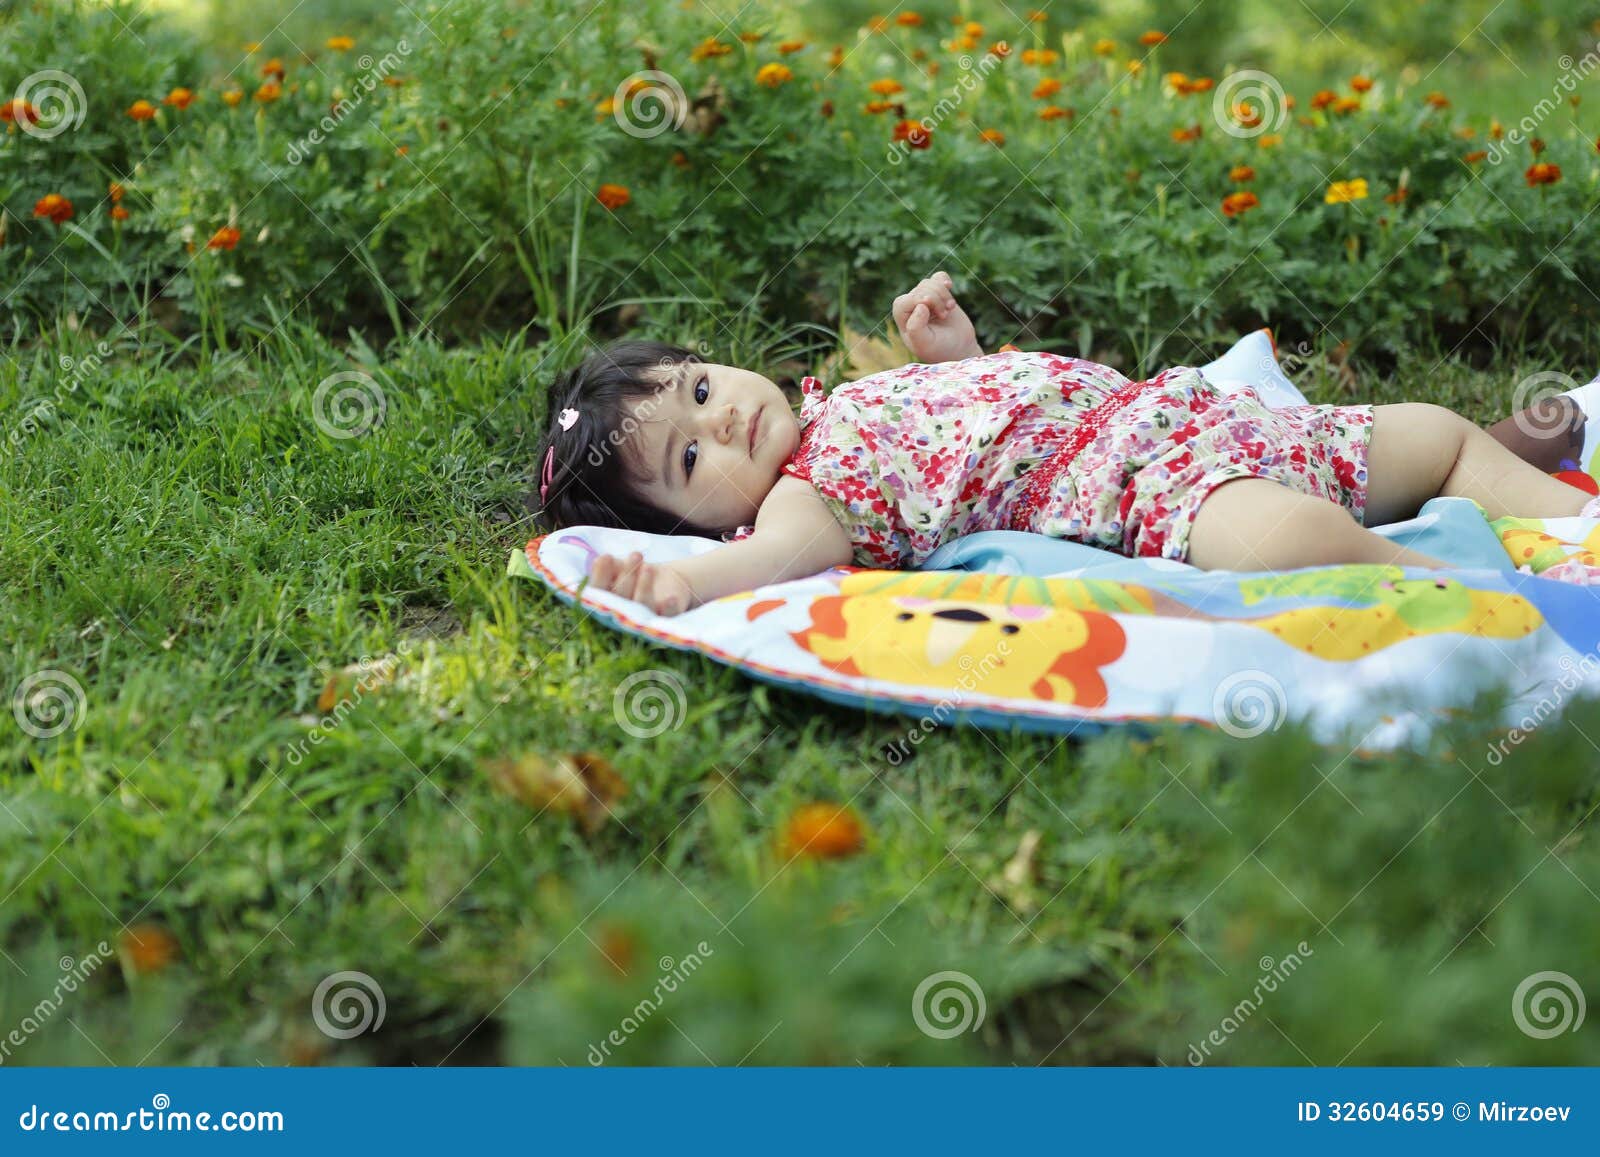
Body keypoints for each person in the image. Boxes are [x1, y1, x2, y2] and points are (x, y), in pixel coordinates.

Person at [532, 273, 1600, 617]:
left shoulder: (846, 401)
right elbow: (784, 561)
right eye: (685, 460)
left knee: (1436, 433)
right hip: (1153, 483)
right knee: (1285, 540)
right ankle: (1478, 593)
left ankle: (1575, 522)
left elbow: (987, 418)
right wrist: (680, 582)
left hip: (1214, 418)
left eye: (703, 386)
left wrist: (958, 353)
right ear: (705, 518)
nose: (720, 417)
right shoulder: (809, 497)